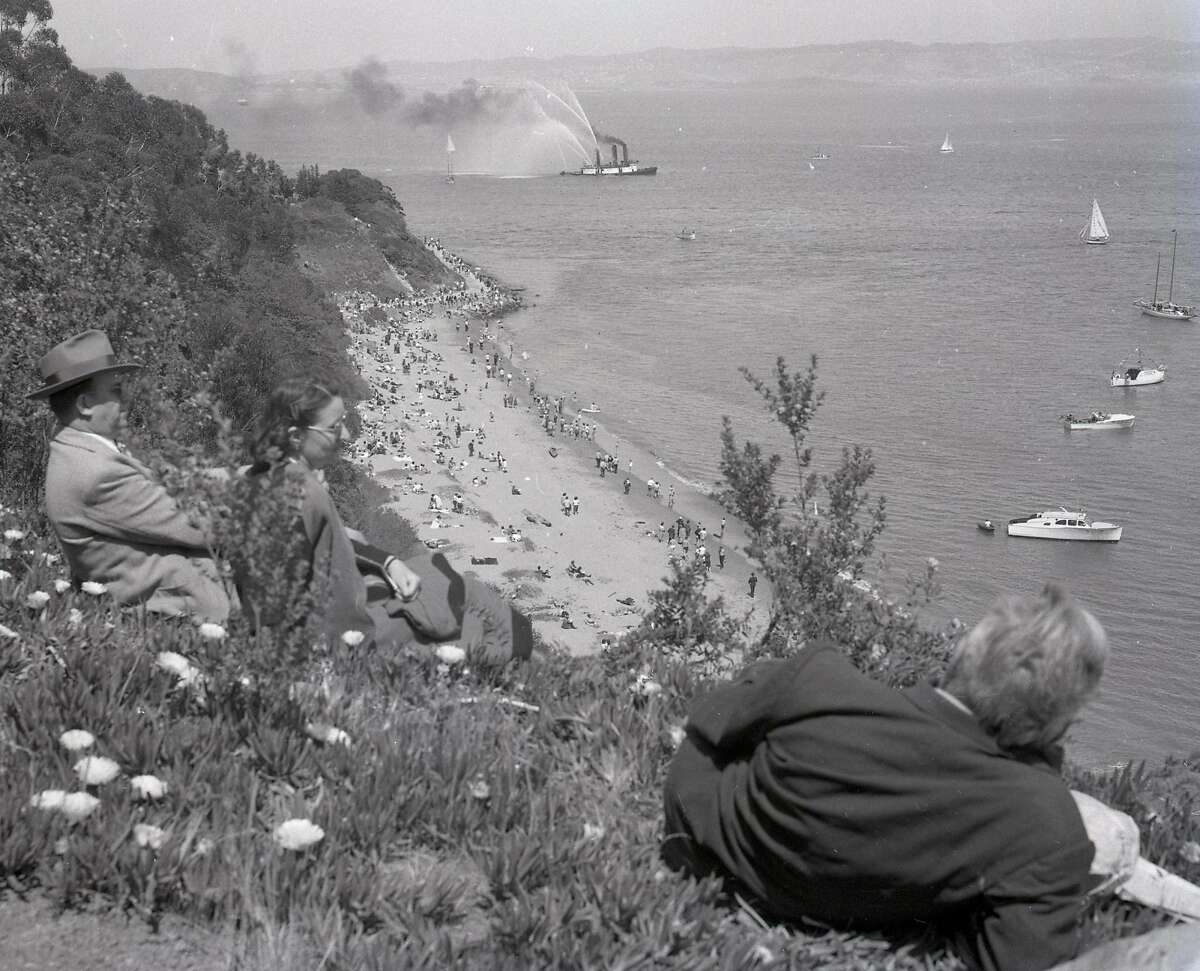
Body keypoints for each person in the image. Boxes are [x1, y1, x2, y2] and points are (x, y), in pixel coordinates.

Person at [662, 584, 1108, 971]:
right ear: (1055, 725)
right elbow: (1020, 959)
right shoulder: (1043, 819)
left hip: (707, 851)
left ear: (960, 659)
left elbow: (708, 721)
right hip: (847, 912)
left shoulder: (819, 679)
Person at [240, 379, 532, 664]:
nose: (346, 436)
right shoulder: (299, 493)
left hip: (342, 614)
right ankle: (538, 675)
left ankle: (528, 662)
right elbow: (278, 598)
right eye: (333, 427)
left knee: (456, 586)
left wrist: (388, 561)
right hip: (345, 638)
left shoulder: (264, 475)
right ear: (295, 437)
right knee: (473, 608)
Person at [32, 330, 230, 622]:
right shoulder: (94, 473)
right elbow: (198, 525)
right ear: (85, 404)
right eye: (115, 390)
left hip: (185, 583)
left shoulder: (82, 448)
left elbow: (162, 484)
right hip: (181, 606)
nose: (126, 398)